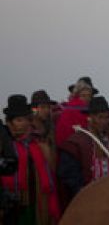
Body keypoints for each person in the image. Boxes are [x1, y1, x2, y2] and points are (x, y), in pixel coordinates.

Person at [58, 96, 109, 204]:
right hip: (90, 198)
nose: (104, 121)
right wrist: (82, 192)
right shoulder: (78, 142)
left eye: (106, 117)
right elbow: (69, 174)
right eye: (100, 117)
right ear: (90, 117)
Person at [1, 95, 61, 224]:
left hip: (37, 203)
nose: (23, 124)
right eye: (18, 120)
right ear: (9, 122)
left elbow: (49, 178)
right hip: (11, 205)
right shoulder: (4, 147)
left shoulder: (39, 145)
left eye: (25, 120)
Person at [55, 76, 98, 147]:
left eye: (89, 96)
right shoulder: (74, 109)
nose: (87, 98)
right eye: (83, 96)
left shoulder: (88, 110)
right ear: (77, 96)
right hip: (71, 148)